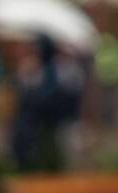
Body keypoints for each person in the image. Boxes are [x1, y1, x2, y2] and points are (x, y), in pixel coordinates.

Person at [10, 35, 81, 171]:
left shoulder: (56, 73)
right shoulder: (33, 70)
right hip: (29, 131)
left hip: (44, 133)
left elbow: (51, 102)